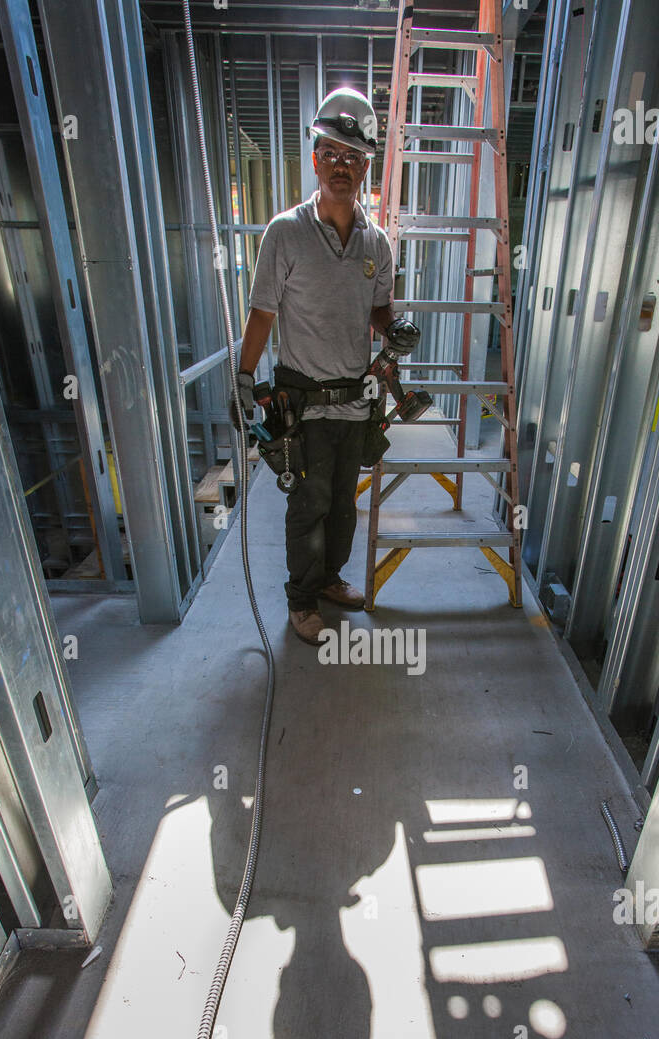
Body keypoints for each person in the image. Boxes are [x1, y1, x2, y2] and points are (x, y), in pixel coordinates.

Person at [232, 87, 419, 644]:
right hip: (302, 396)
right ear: (315, 158)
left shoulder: (377, 242)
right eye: (332, 154)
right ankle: (302, 600)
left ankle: (331, 578)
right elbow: (262, 315)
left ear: (366, 165)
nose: (342, 166)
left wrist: (393, 328)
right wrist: (244, 381)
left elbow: (378, 308)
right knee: (308, 504)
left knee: (342, 506)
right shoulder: (284, 234)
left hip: (355, 397)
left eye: (353, 157)